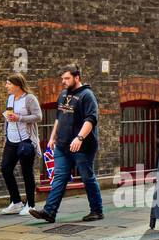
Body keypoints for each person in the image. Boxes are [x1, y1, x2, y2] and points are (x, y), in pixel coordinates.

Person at [29, 65, 105, 224]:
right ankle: (49, 212)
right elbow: (59, 118)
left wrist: (79, 138)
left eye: (67, 78)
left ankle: (97, 211)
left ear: (77, 77)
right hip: (62, 146)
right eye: (62, 78)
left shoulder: (87, 95)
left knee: (87, 177)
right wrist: (52, 137)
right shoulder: (63, 94)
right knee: (59, 178)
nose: (63, 81)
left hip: (82, 147)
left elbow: (91, 120)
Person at [0, 74, 41, 215]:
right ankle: (16, 202)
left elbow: (38, 116)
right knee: (5, 169)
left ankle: (31, 205)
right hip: (11, 140)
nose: (6, 86)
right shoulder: (10, 98)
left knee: (27, 172)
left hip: (26, 140)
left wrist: (20, 118)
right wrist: (6, 132)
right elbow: (9, 117)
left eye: (9, 84)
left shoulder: (29, 98)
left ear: (17, 85)